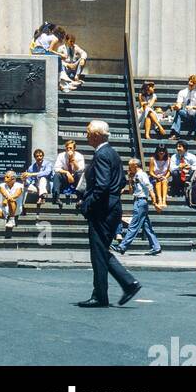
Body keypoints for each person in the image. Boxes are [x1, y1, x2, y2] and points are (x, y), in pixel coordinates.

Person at [76, 121, 141, 307]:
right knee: (101, 251)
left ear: (96, 135)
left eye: (88, 133)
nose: (86, 136)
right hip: (111, 208)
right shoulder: (112, 153)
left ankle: (103, 295)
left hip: (102, 210)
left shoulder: (102, 154)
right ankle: (125, 285)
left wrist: (87, 204)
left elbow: (102, 185)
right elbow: (119, 181)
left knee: (98, 253)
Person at [112, 158, 161, 255]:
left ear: (135, 165)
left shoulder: (142, 175)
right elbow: (131, 192)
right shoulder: (136, 175)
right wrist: (130, 179)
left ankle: (122, 246)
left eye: (130, 165)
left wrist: (155, 202)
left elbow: (149, 187)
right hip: (138, 200)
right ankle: (156, 246)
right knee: (146, 226)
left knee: (133, 225)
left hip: (141, 201)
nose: (129, 167)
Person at [52, 138, 85, 206]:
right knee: (57, 175)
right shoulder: (61, 155)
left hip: (75, 177)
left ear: (74, 149)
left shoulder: (79, 156)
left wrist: (73, 160)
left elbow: (81, 169)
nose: (69, 150)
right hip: (66, 176)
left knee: (80, 174)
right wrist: (67, 173)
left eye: (70, 148)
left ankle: (80, 198)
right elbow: (56, 168)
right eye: (67, 148)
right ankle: (56, 198)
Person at [149, 145, 171, 210]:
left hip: (164, 177)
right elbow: (150, 172)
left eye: (163, 151)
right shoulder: (152, 159)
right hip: (154, 177)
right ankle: (160, 200)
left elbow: (169, 171)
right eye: (160, 151)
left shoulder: (168, 159)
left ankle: (164, 200)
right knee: (158, 181)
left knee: (164, 181)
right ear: (157, 151)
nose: (161, 152)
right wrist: (156, 176)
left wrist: (165, 177)